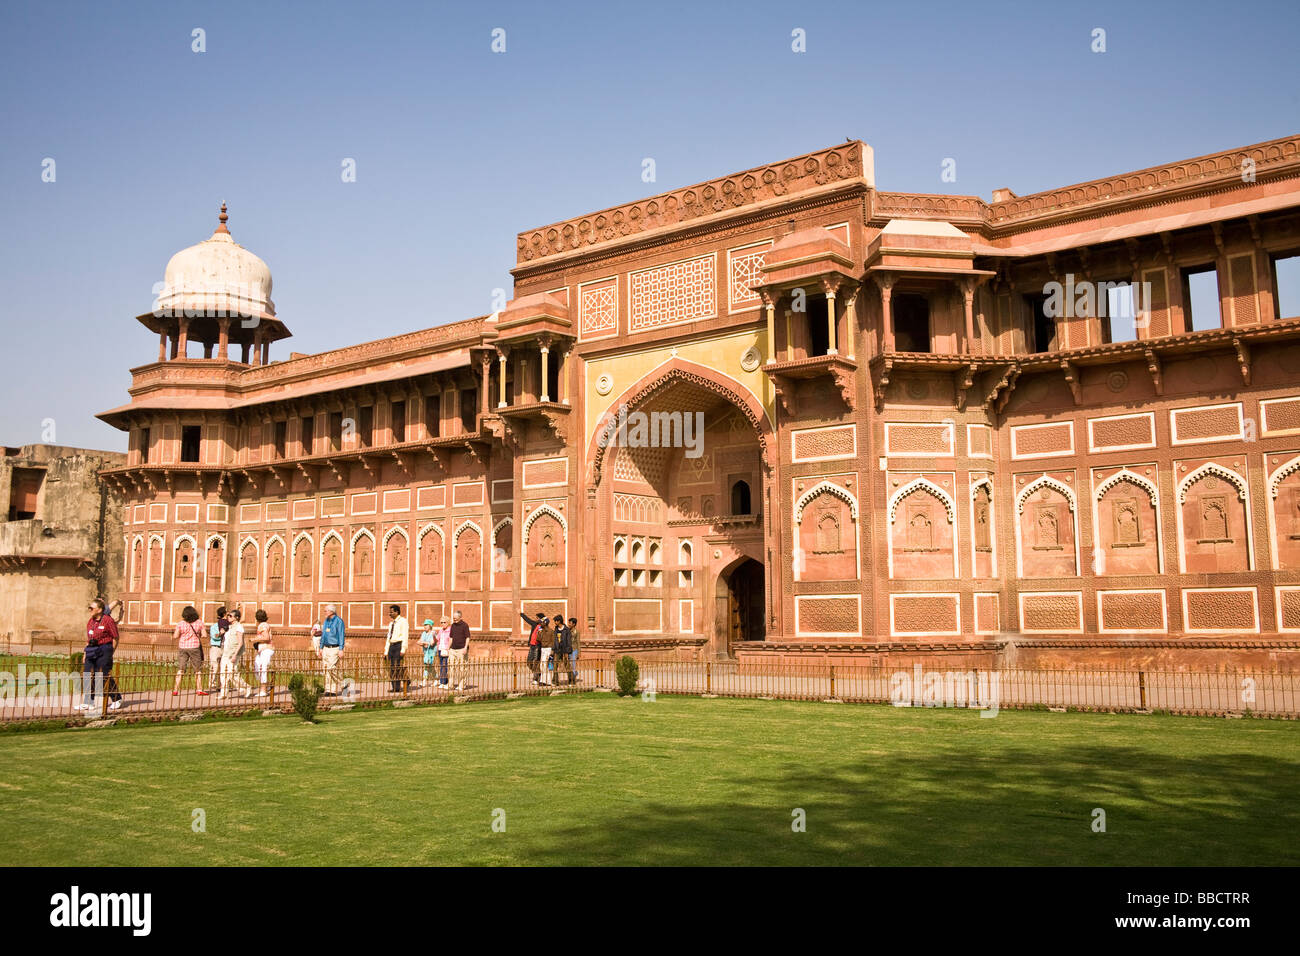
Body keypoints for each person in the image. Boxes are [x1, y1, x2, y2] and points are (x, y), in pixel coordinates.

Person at [75, 599, 123, 712]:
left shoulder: (107, 620)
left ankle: (116, 699)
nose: (89, 610)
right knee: (87, 674)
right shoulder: (90, 621)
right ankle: (88, 702)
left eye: (92, 608)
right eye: (89, 608)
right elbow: (89, 639)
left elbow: (115, 637)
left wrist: (111, 651)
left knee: (103, 674)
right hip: (91, 649)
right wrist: (85, 653)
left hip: (104, 649)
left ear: (100, 610)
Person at [171, 605, 209, 697]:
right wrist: (198, 634)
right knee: (197, 670)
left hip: (183, 647)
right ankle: (199, 689)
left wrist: (183, 635)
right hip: (194, 647)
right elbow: (204, 635)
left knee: (181, 669)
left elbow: (175, 636)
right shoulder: (199, 622)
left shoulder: (180, 624)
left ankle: (175, 690)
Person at [218, 609, 252, 699]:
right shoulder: (229, 627)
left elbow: (240, 643)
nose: (228, 617)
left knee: (232, 673)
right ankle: (223, 693)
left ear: (236, 618)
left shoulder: (239, 627)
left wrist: (235, 655)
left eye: (230, 616)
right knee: (223, 673)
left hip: (233, 653)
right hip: (226, 652)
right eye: (228, 615)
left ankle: (246, 687)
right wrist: (220, 633)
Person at [315, 604, 346, 696]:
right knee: (326, 670)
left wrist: (341, 649)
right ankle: (329, 690)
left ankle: (343, 684)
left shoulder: (339, 621)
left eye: (326, 611)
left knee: (331, 668)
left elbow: (341, 635)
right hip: (326, 648)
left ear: (331, 611)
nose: (324, 612)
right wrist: (321, 648)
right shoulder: (326, 621)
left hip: (334, 647)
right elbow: (324, 635)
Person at [383, 604, 409, 694]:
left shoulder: (403, 621)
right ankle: (405, 680)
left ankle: (397, 687)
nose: (390, 614)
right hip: (392, 646)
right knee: (391, 667)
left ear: (397, 612)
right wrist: (386, 651)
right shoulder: (391, 624)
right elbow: (388, 637)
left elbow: (405, 635)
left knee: (396, 667)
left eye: (391, 612)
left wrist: (403, 649)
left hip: (399, 645)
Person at [252, 609, 274, 697]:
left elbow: (266, 638)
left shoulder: (262, 625)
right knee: (257, 667)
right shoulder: (264, 625)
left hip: (266, 649)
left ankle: (263, 690)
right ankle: (266, 685)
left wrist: (254, 639)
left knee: (262, 668)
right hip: (263, 649)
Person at [208, 606, 230, 694]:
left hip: (225, 647)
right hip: (216, 648)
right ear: (224, 614)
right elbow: (214, 636)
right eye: (227, 612)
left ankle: (221, 685)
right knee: (215, 666)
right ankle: (212, 683)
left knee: (224, 667)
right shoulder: (214, 626)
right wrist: (221, 634)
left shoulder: (228, 625)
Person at [447, 609, 470, 691]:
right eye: (453, 618)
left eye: (456, 618)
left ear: (460, 617)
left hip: (461, 649)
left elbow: (467, 637)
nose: (454, 620)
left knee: (462, 668)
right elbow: (451, 638)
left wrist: (465, 648)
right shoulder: (453, 625)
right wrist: (448, 647)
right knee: (451, 667)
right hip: (453, 649)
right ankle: (450, 685)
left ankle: (461, 685)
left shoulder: (465, 625)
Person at [520, 611, 546, 683]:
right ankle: (537, 673)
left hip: (538, 646)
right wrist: (521, 614)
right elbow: (527, 620)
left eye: (537, 618)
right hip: (532, 646)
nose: (535, 619)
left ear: (541, 619)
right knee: (529, 662)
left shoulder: (543, 626)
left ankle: (535, 678)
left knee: (536, 662)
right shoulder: (534, 624)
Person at [553, 615, 573, 685]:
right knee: (555, 666)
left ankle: (571, 680)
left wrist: (567, 652)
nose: (555, 622)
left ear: (559, 621)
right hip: (557, 650)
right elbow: (554, 640)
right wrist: (554, 649)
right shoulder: (556, 629)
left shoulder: (566, 630)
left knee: (567, 666)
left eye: (556, 621)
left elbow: (569, 642)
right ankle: (555, 681)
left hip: (564, 650)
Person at [537, 615, 556, 686]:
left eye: (542, 623)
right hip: (543, 649)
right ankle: (543, 680)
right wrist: (539, 633)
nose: (540, 624)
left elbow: (553, 641)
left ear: (545, 623)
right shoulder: (541, 631)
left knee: (547, 665)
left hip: (548, 649)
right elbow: (538, 640)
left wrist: (552, 651)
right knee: (542, 665)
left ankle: (548, 681)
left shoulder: (551, 631)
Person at [418, 619, 437, 687]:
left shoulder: (433, 633)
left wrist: (424, 643)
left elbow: (432, 643)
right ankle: (436, 679)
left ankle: (424, 681)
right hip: (426, 652)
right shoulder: (423, 633)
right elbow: (419, 642)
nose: (425, 626)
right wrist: (424, 643)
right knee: (429, 666)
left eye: (426, 625)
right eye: (424, 625)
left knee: (427, 666)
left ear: (430, 626)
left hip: (431, 652)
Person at [436, 616, 452, 687]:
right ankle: (444, 681)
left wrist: (448, 648)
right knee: (442, 666)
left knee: (444, 666)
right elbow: (437, 639)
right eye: (441, 622)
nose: (443, 624)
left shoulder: (450, 630)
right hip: (440, 649)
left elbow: (451, 640)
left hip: (446, 649)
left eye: (444, 622)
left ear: (448, 623)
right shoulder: (440, 630)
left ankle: (443, 682)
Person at [566, 617, 581, 685]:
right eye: (569, 623)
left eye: (570, 623)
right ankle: (571, 677)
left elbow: (578, 642)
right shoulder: (567, 631)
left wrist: (579, 653)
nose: (569, 624)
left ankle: (573, 679)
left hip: (574, 650)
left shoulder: (576, 632)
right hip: (568, 650)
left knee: (573, 665)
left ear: (574, 624)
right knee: (569, 665)